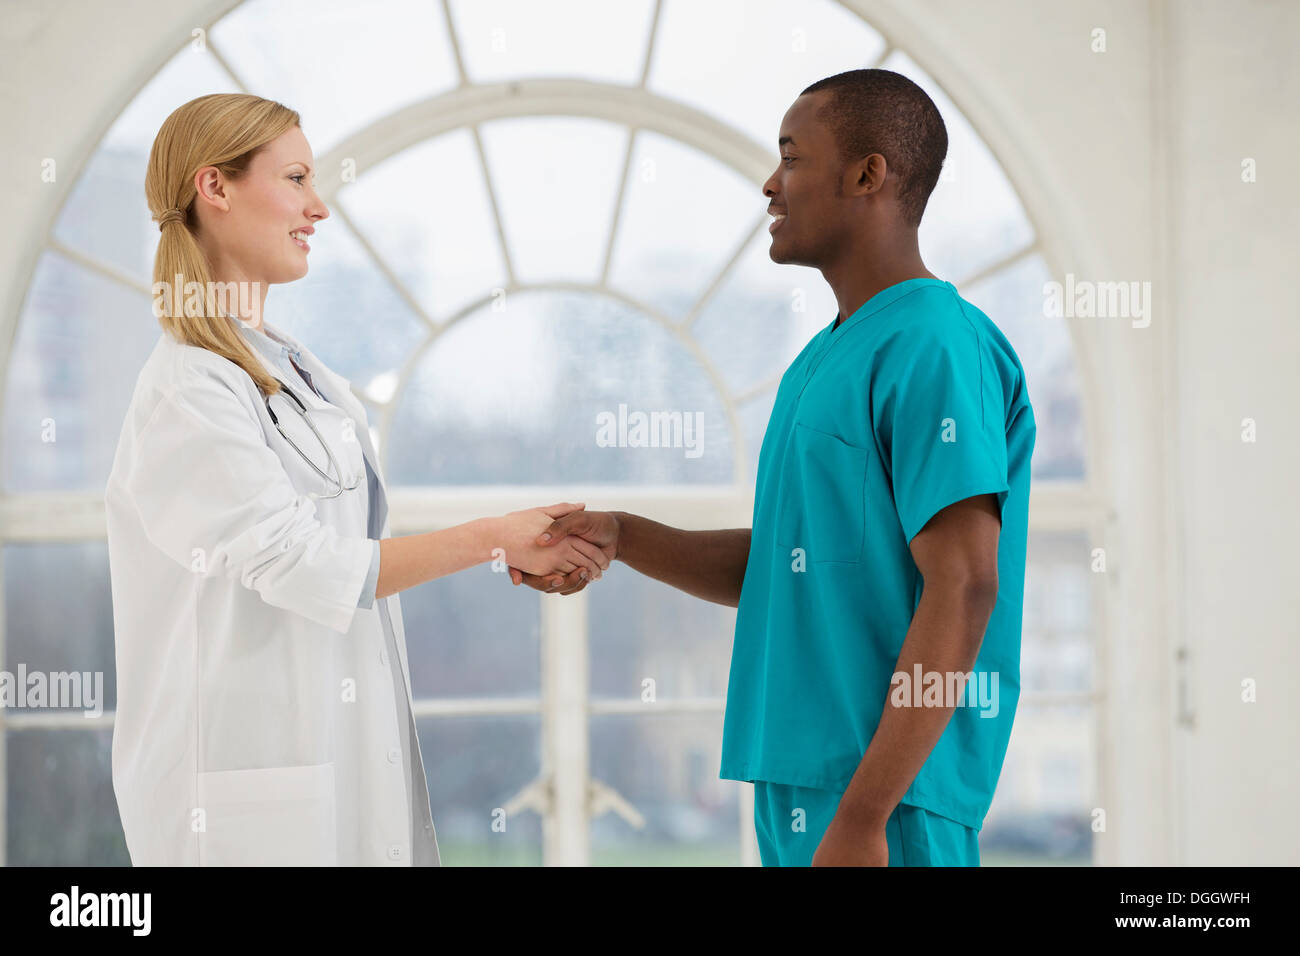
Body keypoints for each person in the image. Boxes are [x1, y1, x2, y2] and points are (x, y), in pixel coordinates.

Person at [512, 69, 1037, 867]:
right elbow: (792, 565)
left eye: (790, 158)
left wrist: (865, 817)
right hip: (802, 784)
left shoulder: (935, 343)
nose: (770, 184)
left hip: (887, 802)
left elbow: (965, 583)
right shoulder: (819, 363)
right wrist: (621, 535)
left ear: (868, 175)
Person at [105, 93, 608, 866]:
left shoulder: (299, 373)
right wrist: (487, 539)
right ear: (215, 188)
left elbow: (345, 559)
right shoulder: (188, 386)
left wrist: (513, 545)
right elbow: (301, 563)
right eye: (297, 179)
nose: (319, 208)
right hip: (240, 792)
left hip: (332, 763)